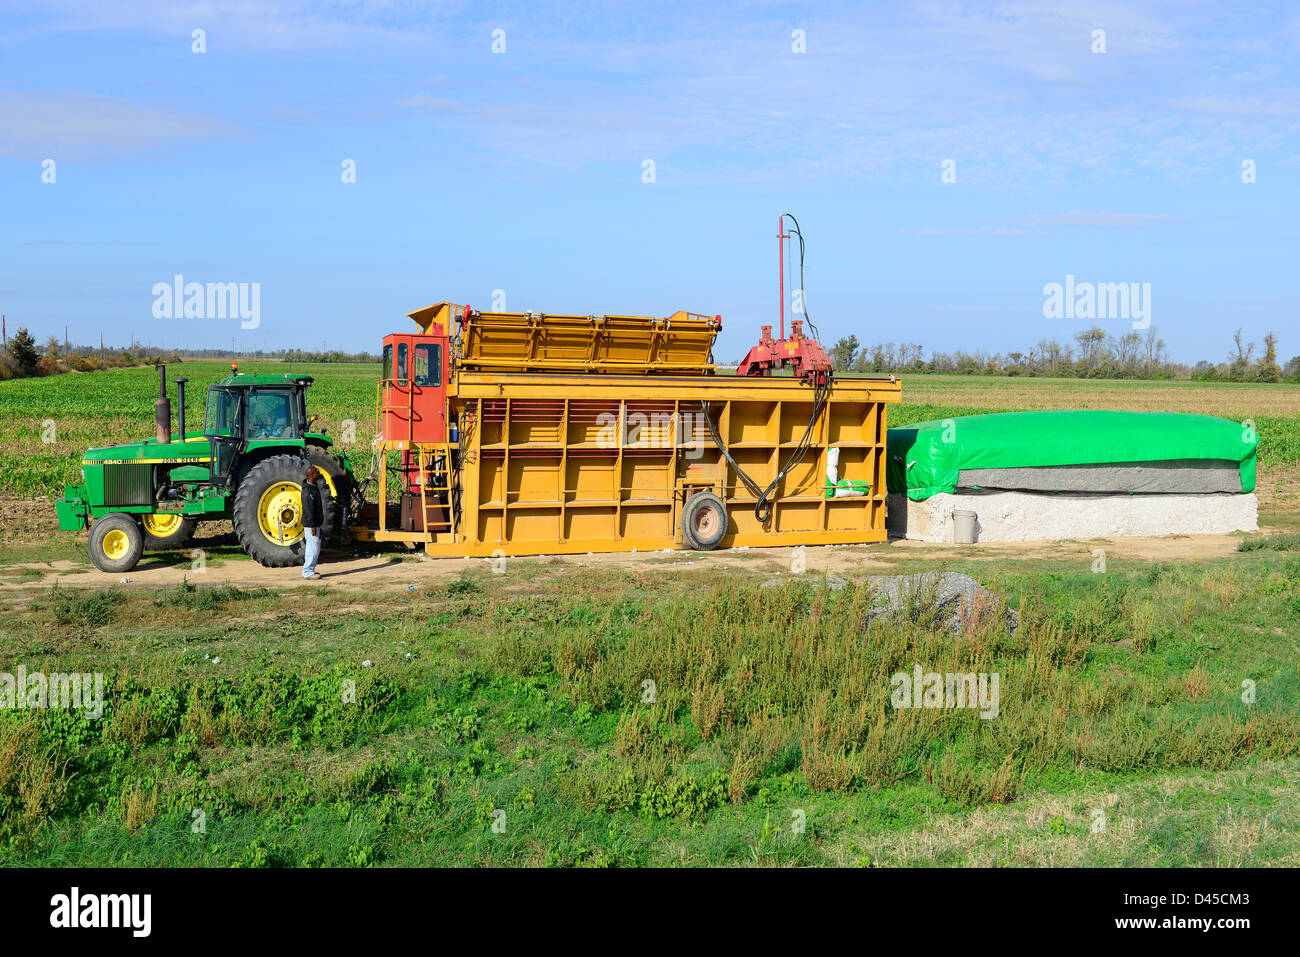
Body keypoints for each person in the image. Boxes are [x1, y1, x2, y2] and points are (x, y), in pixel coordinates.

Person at [302, 465, 324, 580]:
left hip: (315, 524)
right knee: (312, 547)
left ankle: (311, 569)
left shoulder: (312, 487)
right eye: (317, 472)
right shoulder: (308, 492)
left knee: (315, 547)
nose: (319, 473)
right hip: (312, 525)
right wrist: (312, 526)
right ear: (311, 475)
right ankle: (308, 572)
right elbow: (309, 510)